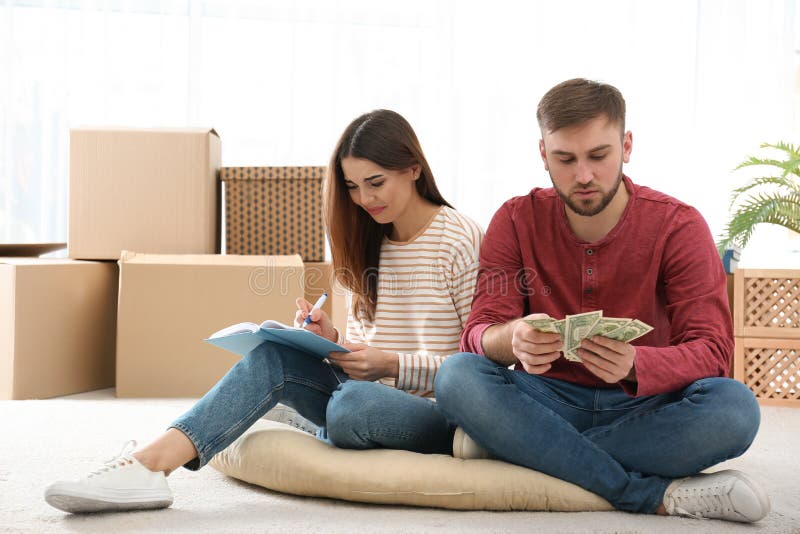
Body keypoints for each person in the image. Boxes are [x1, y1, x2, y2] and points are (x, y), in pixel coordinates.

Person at [45, 109, 483, 513]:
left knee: (351, 406)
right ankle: (148, 466)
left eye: (375, 182)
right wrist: (329, 339)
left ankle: (293, 412)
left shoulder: (458, 238)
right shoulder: (369, 236)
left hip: (431, 413)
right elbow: (370, 349)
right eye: (351, 186)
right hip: (369, 392)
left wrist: (389, 363)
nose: (364, 198)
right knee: (272, 358)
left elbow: (478, 368)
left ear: (413, 169)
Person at [433, 79, 770, 523]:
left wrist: (636, 364)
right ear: (542, 155)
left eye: (598, 155)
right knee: (457, 376)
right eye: (565, 159)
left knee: (735, 408)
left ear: (626, 146)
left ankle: (521, 448)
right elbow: (478, 333)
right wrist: (511, 339)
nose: (584, 175)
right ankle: (644, 493)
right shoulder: (515, 219)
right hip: (543, 397)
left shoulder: (679, 225)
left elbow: (713, 352)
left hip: (647, 405)